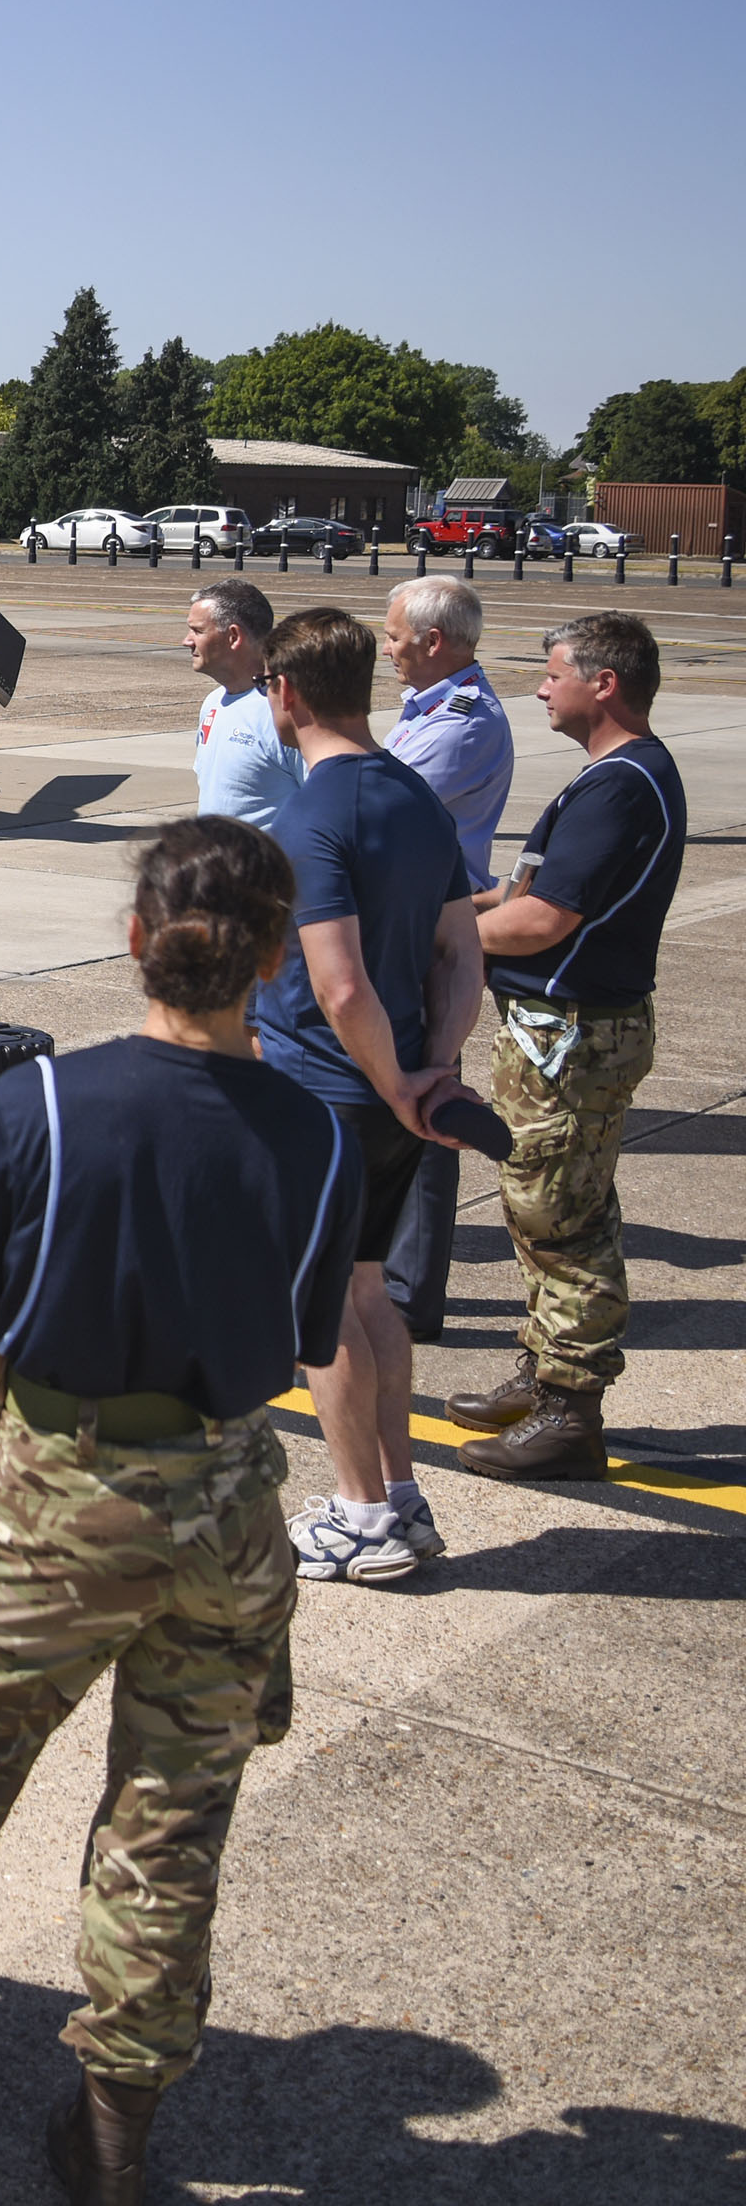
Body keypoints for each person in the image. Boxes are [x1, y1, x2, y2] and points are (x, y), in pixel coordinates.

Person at [0, 816, 353, 2206]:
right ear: (274, 961)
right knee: (172, 1818)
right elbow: (308, 1332)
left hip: (61, 1483)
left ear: (134, 938)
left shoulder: (40, 1103)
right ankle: (114, 2127)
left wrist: (20, 1411)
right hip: (224, 1506)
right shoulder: (314, 1134)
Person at [251, 610, 480, 1583]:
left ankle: (361, 1516)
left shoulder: (312, 817)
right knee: (371, 1288)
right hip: (397, 1096)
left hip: (328, 1097)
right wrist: (432, 1072)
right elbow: (462, 952)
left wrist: (389, 1080)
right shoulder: (416, 799)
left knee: (325, 1311)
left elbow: (339, 986)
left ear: (286, 694)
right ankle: (400, 1494)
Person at [449, 612, 686, 1480]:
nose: (542, 689)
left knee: (564, 1222)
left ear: (605, 683)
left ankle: (571, 1412)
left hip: (573, 1037)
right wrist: (448, 907)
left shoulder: (622, 783)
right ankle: (545, 1370)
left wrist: (435, 942)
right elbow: (516, 894)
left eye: (555, 674)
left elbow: (542, 920)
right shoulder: (610, 779)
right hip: (563, 1034)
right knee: (549, 1210)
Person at [376, 576, 515, 1344]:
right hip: (415, 922)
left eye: (395, 635)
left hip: (432, 935)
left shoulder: (463, 721)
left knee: (426, 1102)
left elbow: (385, 803)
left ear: (434, 642)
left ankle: (409, 1293)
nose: (386, 646)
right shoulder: (428, 708)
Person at [184, 579, 297, 829]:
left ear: (234, 636)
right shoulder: (213, 703)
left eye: (198, 631)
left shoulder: (286, 710)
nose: (187, 641)